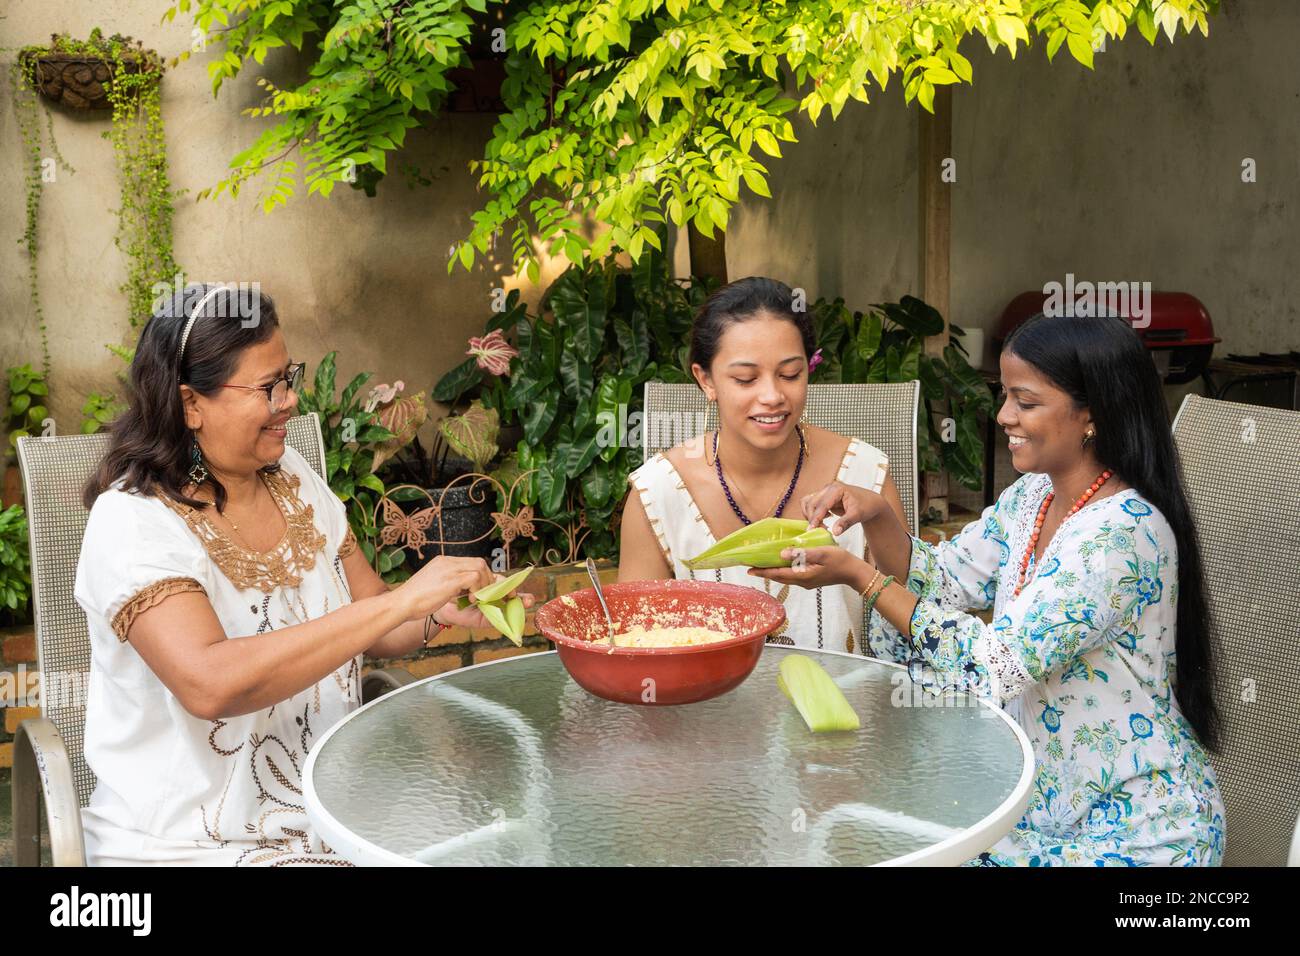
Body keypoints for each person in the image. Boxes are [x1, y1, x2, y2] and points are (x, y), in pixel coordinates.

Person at [75, 284, 527, 865]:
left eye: (288, 377)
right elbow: (210, 684)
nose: (289, 401)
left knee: (502, 836)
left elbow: (378, 627)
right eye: (269, 388)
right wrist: (398, 603)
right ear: (191, 404)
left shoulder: (292, 478)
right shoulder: (134, 522)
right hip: (194, 842)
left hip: (333, 810)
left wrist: (436, 610)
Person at [752, 313, 1224, 866]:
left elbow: (996, 667)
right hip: (1036, 808)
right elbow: (945, 580)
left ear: (1090, 412)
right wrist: (876, 516)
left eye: (1025, 402)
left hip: (1135, 831)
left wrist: (863, 578)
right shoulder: (1035, 496)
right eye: (1005, 396)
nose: (1003, 416)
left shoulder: (1118, 536)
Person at [619, 276, 910, 655]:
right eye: (745, 378)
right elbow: (637, 646)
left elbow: (914, 614)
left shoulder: (864, 475)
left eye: (790, 374)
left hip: (845, 710)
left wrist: (875, 528)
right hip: (703, 713)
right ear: (705, 380)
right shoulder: (657, 494)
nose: (772, 396)